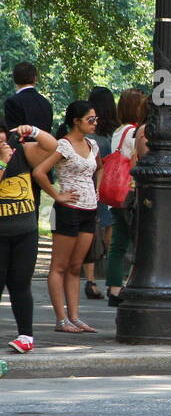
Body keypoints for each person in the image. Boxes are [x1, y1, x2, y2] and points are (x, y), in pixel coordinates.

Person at [32, 102, 100, 333]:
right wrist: (57, 195)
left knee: (76, 266)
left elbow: (98, 168)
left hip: (89, 210)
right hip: (68, 210)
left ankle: (75, 316)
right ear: (76, 121)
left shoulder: (93, 144)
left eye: (95, 119)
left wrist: (97, 190)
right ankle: (61, 319)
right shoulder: (64, 145)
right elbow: (39, 172)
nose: (94, 123)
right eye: (90, 119)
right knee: (59, 266)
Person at [0, 120, 58, 352]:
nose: (3, 145)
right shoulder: (5, 159)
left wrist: (33, 131)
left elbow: (52, 147)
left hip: (25, 231)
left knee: (20, 284)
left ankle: (26, 335)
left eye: (4, 140)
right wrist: (2, 162)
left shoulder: (21, 152)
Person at [104, 89, 148, 306]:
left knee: (118, 244)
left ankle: (113, 289)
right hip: (129, 192)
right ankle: (132, 285)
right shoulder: (135, 131)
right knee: (139, 242)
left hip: (115, 195)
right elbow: (136, 161)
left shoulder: (117, 131)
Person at [80, 86, 116, 300]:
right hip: (113, 189)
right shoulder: (117, 133)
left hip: (92, 187)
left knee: (91, 233)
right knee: (112, 235)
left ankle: (91, 280)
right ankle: (113, 281)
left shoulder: (91, 137)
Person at [3, 62, 54, 133]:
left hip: (23, 143)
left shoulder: (12, 102)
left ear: (14, 79)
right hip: (45, 143)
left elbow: (13, 133)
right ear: (35, 79)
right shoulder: (45, 103)